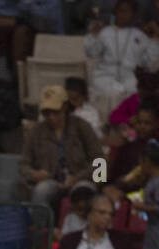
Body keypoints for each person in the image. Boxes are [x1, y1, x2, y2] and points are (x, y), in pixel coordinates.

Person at [18, 85, 102, 218]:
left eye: (55, 112)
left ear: (65, 107)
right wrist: (34, 174)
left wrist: (81, 178)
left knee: (83, 193)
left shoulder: (82, 127)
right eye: (47, 113)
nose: (51, 117)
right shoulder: (36, 132)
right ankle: (39, 232)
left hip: (81, 179)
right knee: (41, 191)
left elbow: (100, 162)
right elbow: (23, 164)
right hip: (50, 180)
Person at [84, 0, 159, 100]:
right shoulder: (105, 32)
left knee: (134, 89)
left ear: (133, 15)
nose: (122, 15)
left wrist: (155, 42)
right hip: (106, 76)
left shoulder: (140, 35)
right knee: (102, 84)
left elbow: (147, 61)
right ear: (115, 13)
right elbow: (91, 53)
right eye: (120, 11)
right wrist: (93, 36)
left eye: (127, 12)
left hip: (130, 77)